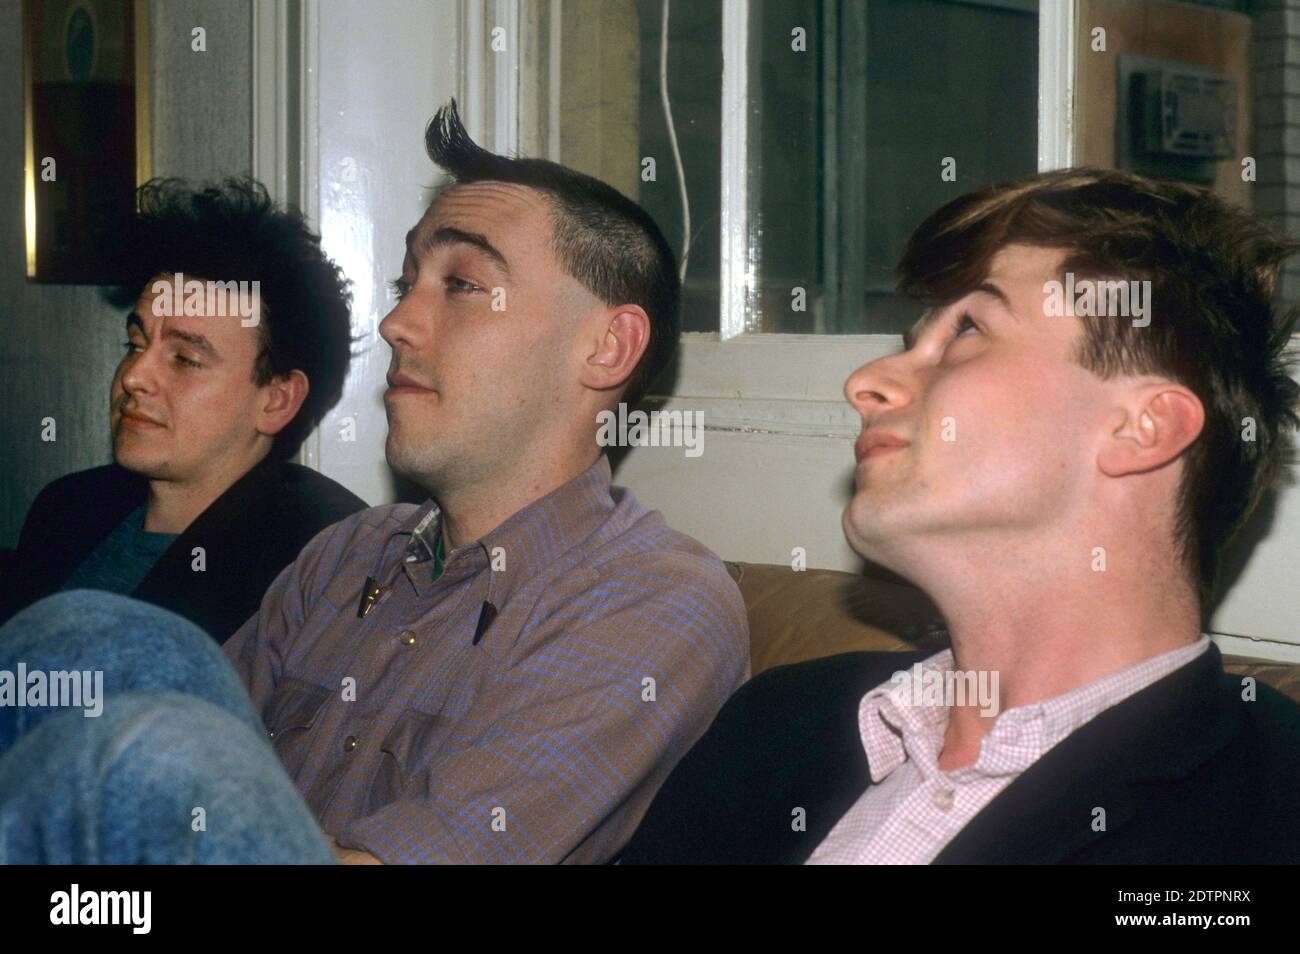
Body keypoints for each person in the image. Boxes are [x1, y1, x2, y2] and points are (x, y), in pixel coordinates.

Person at [0, 100, 749, 865]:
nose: (397, 322)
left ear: (607, 348)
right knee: (92, 641)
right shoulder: (347, 554)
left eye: (461, 285)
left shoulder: (654, 596)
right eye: (404, 283)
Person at [618, 167, 1300, 864]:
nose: (864, 384)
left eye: (969, 328)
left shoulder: (1267, 813)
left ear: (1143, 428)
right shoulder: (780, 722)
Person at [1, 178, 366, 642]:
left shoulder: (317, 563)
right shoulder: (67, 509)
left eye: (185, 359)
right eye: (134, 344)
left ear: (276, 400)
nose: (133, 377)